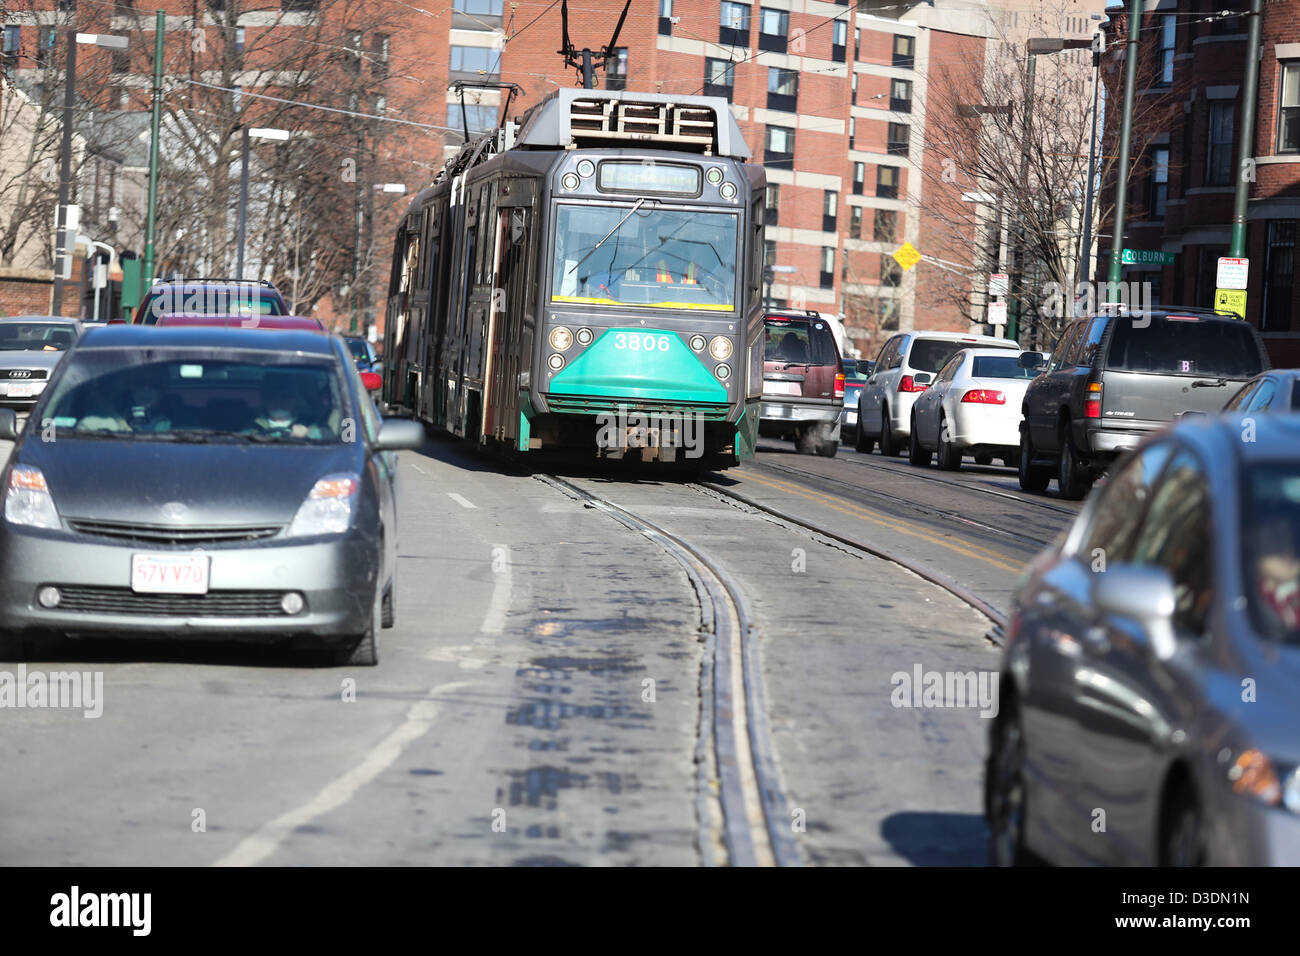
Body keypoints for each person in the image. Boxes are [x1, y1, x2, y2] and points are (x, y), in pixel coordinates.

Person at [252, 373, 325, 439]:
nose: (278, 401)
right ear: (265, 400)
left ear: (295, 400)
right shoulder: (252, 426)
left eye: (285, 397)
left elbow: (326, 446)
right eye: (272, 396)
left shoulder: (311, 425)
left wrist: (306, 437)